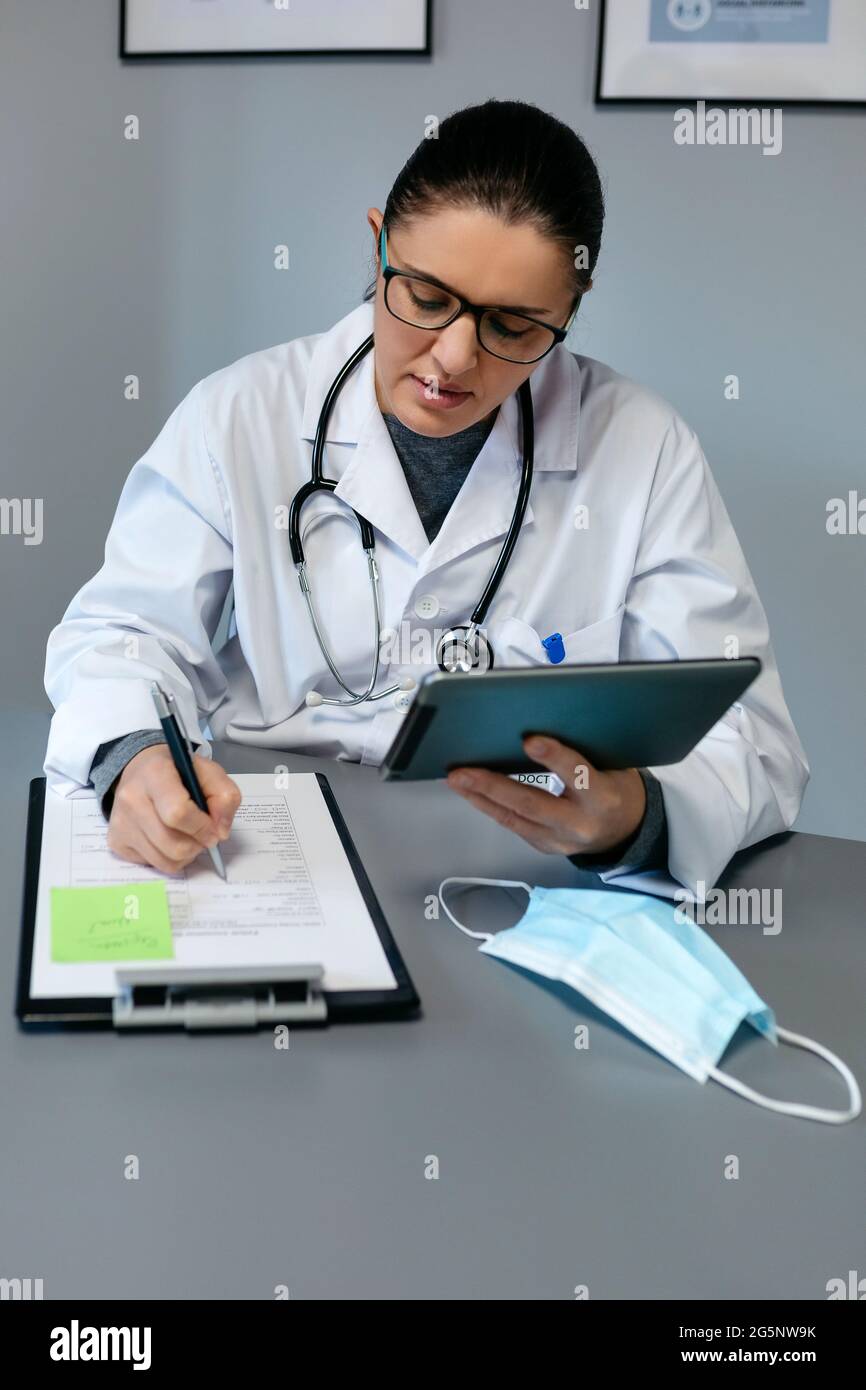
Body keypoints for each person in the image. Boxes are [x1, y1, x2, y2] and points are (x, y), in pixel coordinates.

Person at [43, 99, 808, 897]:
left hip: (526, 871)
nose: (452, 360)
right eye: (428, 298)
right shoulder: (239, 415)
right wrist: (133, 755)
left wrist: (635, 814)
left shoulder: (644, 450)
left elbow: (753, 740)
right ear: (378, 246)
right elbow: (124, 634)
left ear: (570, 312)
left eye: (512, 326)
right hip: (264, 846)